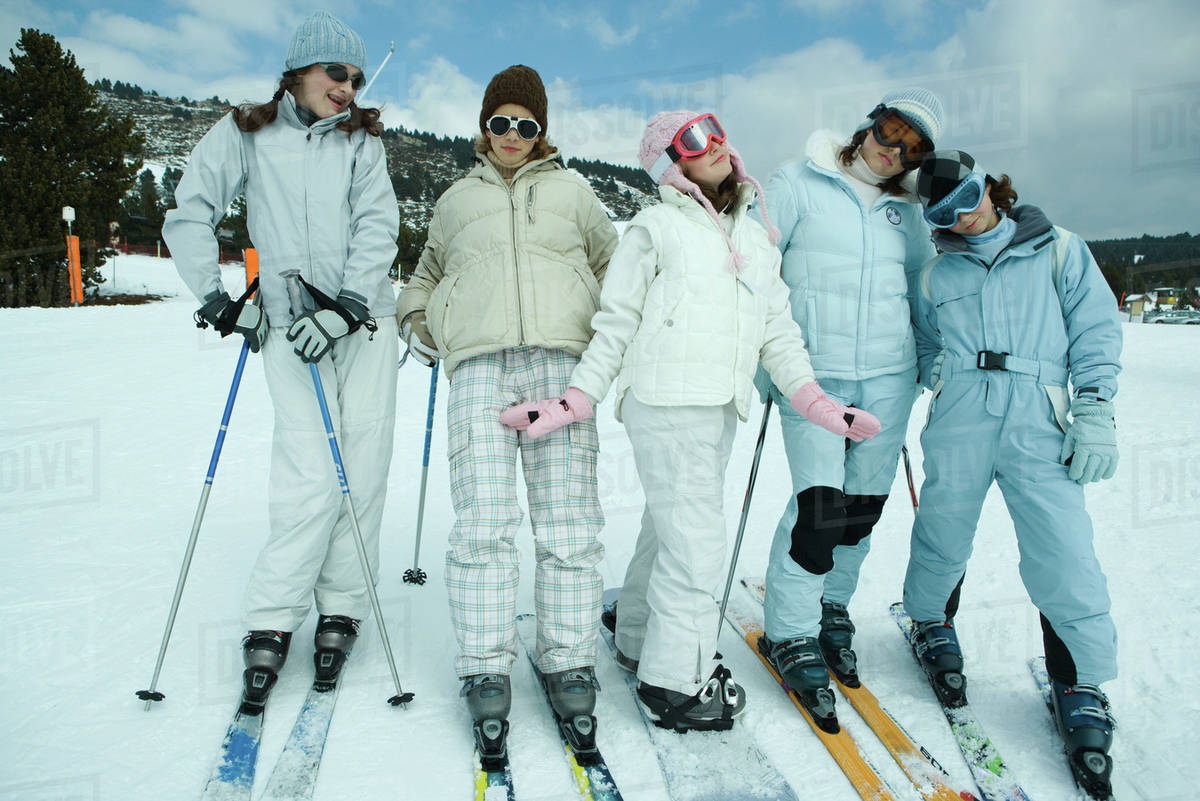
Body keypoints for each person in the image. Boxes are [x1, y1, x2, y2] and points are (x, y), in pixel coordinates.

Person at [502, 110, 881, 732]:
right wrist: (577, 399)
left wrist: (813, 399)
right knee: (697, 550)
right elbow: (615, 323)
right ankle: (675, 684)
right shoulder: (653, 229)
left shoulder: (755, 239)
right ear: (671, 165)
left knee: (668, 530)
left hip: (719, 406)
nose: (718, 144)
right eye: (696, 140)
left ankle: (637, 636)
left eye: (717, 129)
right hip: (667, 405)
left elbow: (777, 331)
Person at [163, 11, 399, 705]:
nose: (348, 87)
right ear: (298, 70)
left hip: (360, 327)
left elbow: (377, 225)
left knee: (363, 467)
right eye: (336, 72)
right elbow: (190, 208)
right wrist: (216, 297)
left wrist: (348, 307)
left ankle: (342, 606)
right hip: (290, 330)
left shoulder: (363, 144)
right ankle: (271, 617)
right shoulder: (246, 132)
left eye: (355, 77)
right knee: (307, 475)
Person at [395, 65, 619, 760]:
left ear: (542, 130)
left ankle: (567, 657)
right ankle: (485, 664)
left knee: (568, 523)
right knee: (484, 523)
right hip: (482, 367)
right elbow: (427, 272)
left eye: (527, 124)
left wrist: (612, 332)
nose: (513, 135)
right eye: (501, 122)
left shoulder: (576, 191)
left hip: (561, 364)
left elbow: (614, 265)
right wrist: (416, 316)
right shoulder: (456, 197)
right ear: (484, 126)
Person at [903, 149, 1121, 797]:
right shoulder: (935, 273)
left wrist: (1097, 407)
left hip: (1037, 413)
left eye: (969, 197)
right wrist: (930, 367)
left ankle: (1078, 681)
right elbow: (922, 336)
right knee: (943, 528)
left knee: (1062, 549)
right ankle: (932, 621)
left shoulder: (1057, 250)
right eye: (943, 212)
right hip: (963, 410)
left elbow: (1095, 329)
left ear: (989, 185)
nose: (963, 217)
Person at [756, 88, 944, 727]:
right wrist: (762, 363)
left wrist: (930, 357)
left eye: (913, 146)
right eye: (891, 131)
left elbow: (920, 293)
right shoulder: (798, 182)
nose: (895, 151)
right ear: (870, 123)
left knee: (861, 510)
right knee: (820, 507)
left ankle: (831, 607)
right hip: (814, 375)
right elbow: (757, 271)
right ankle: (790, 630)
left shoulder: (908, 213)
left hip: (890, 376)